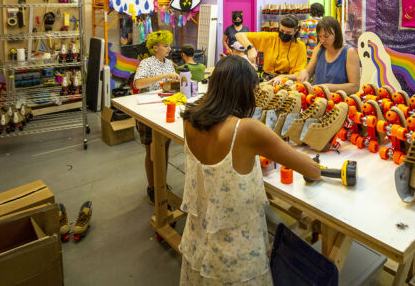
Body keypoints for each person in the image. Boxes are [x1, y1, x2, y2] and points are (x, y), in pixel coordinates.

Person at [179, 56, 321, 285]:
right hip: (235, 253)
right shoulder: (245, 130)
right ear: (245, 91)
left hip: (198, 240)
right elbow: (312, 170)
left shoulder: (190, 117)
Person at [133, 30, 180, 205]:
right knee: (150, 151)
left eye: (169, 45)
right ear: (155, 48)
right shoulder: (146, 63)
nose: (169, 48)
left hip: (164, 108)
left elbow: (169, 85)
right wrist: (164, 75)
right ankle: (152, 186)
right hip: (147, 111)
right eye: (165, 45)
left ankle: (162, 182)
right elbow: (138, 83)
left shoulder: (169, 63)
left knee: (164, 148)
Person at [235, 14, 306, 84]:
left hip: (287, 84)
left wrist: (282, 76)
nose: (284, 34)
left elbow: (299, 74)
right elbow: (239, 35)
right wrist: (250, 48)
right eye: (282, 30)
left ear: (295, 31)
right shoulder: (270, 38)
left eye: (288, 32)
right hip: (266, 82)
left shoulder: (300, 47)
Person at [297, 16, 360, 95]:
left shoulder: (349, 52)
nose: (322, 40)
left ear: (336, 34)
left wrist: (325, 87)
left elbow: (354, 86)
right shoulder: (319, 48)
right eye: (320, 36)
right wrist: (304, 72)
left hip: (340, 103)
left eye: (326, 36)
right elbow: (308, 71)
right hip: (317, 100)